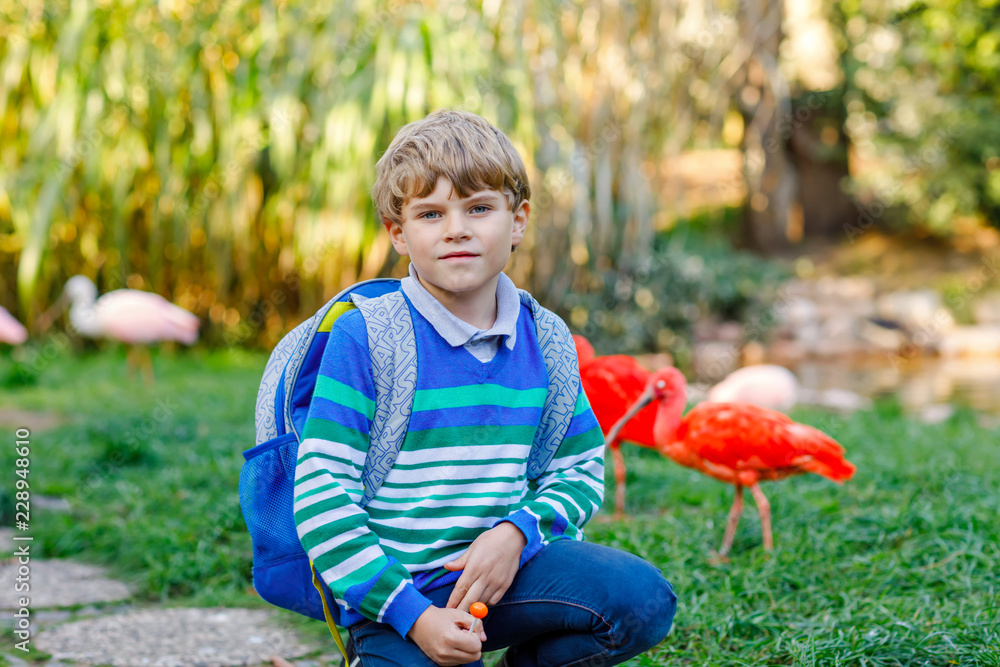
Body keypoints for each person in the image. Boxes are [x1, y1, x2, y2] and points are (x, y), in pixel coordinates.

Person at [293, 108, 677, 667]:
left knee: (639, 600)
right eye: (430, 213)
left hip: (506, 572)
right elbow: (322, 496)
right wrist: (415, 618)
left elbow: (580, 466)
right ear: (398, 233)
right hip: (394, 595)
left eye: (478, 208)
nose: (456, 229)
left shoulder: (545, 337)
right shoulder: (368, 336)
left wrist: (517, 533)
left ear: (517, 220)